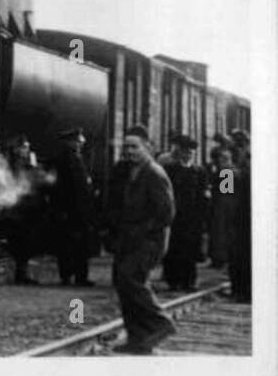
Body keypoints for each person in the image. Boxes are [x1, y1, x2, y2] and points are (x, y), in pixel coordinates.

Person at [110, 125, 177, 354]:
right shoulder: (130, 170)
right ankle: (137, 338)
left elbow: (166, 214)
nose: (129, 151)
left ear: (148, 147)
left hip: (148, 240)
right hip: (128, 238)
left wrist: (140, 231)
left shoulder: (155, 173)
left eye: (134, 147)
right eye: (126, 147)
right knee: (122, 283)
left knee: (131, 280)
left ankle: (161, 322)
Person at [161, 134, 209, 291]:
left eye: (191, 152)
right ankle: (173, 280)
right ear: (179, 152)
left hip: (193, 216)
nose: (188, 154)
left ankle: (189, 280)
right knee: (174, 248)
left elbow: (214, 193)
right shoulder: (170, 170)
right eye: (185, 151)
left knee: (190, 249)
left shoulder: (202, 171)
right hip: (176, 214)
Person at [50, 128, 96, 287]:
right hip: (73, 210)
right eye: (78, 141)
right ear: (71, 142)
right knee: (74, 244)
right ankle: (77, 276)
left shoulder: (73, 158)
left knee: (71, 244)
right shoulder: (69, 159)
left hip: (73, 210)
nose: (80, 144)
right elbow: (66, 188)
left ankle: (70, 275)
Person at [1, 136, 47, 285]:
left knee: (24, 244)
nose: (26, 150)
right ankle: (20, 275)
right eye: (24, 147)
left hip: (25, 208)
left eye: (27, 147)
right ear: (17, 149)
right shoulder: (13, 165)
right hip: (18, 209)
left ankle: (21, 273)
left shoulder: (24, 164)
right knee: (20, 244)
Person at [227, 129, 251, 302]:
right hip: (237, 216)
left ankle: (243, 289)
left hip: (247, 215)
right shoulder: (229, 169)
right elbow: (224, 193)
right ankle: (239, 289)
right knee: (237, 254)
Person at [208, 145, 237, 268]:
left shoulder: (226, 172)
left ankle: (220, 258)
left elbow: (226, 192)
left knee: (220, 233)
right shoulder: (226, 170)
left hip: (222, 207)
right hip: (222, 205)